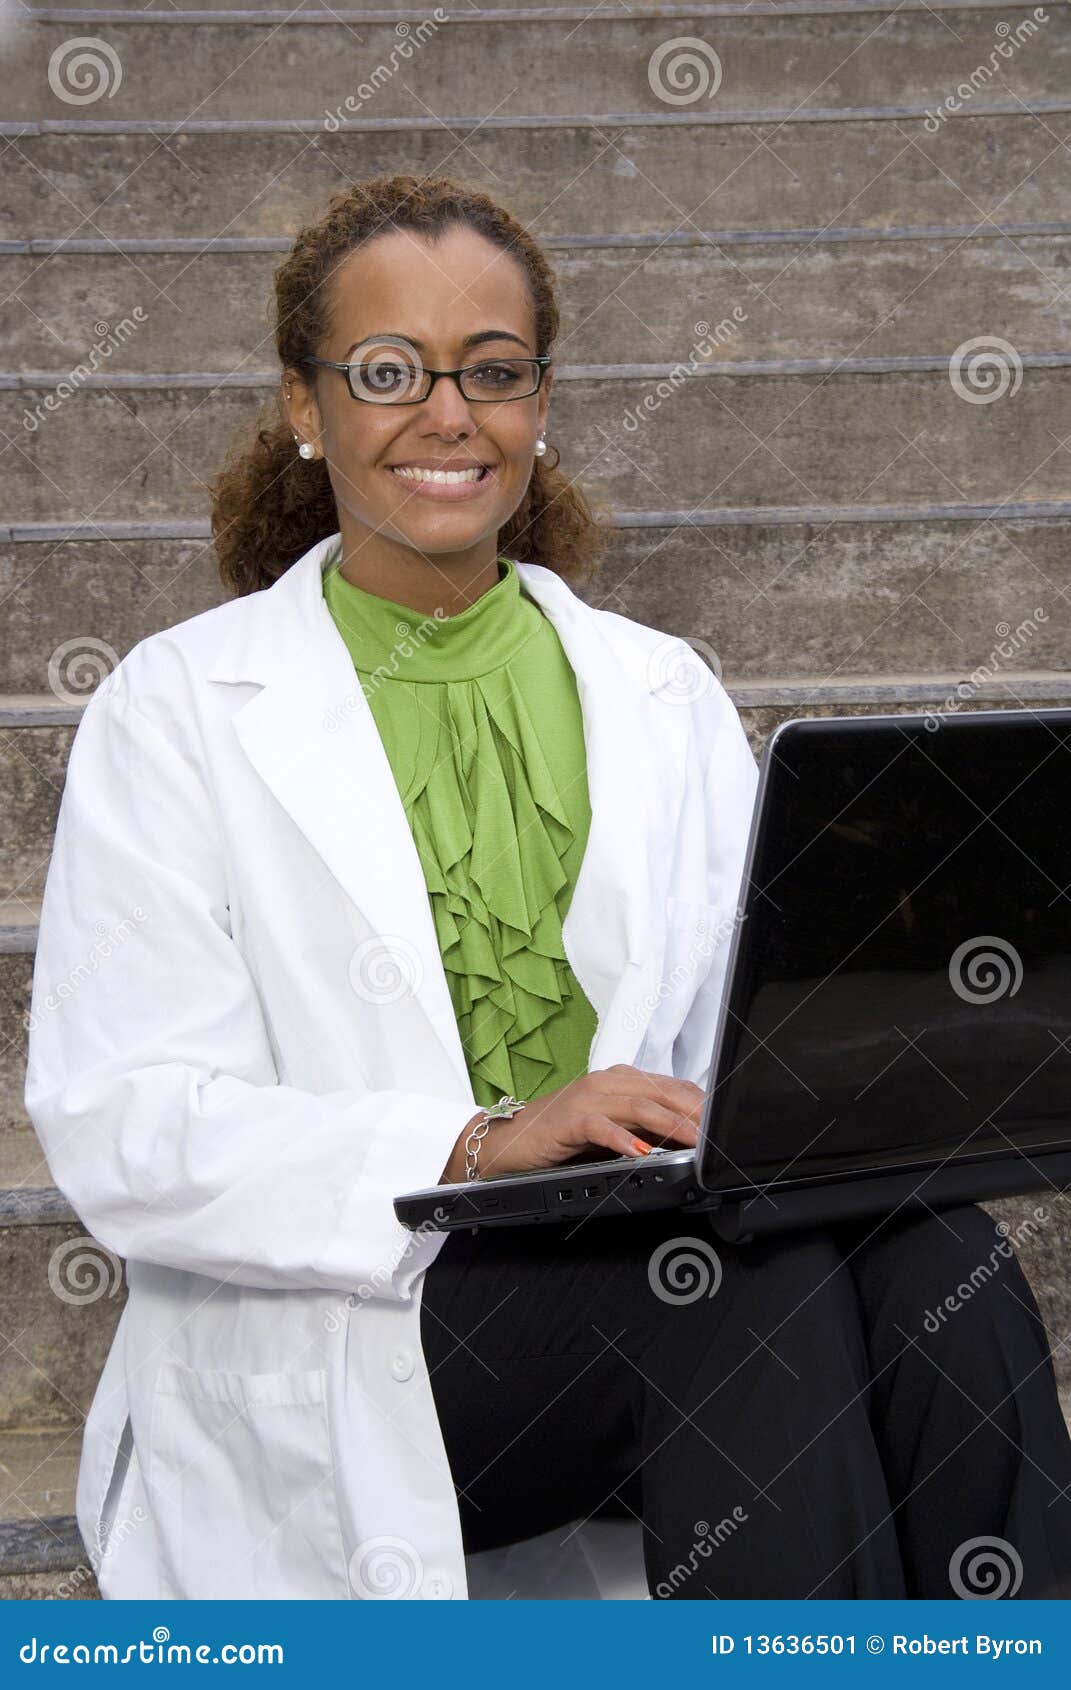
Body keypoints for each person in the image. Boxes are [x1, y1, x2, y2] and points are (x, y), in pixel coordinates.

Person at [24, 173, 1071, 1601]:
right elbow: (126, 1122)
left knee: (937, 1259)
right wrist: (478, 1139)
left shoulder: (660, 690)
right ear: (305, 406)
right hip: (351, 1328)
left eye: (495, 372)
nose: (448, 415)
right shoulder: (180, 709)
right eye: (388, 372)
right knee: (744, 1299)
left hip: (644, 1252)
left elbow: (730, 1051)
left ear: (541, 399)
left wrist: (899, 1087)